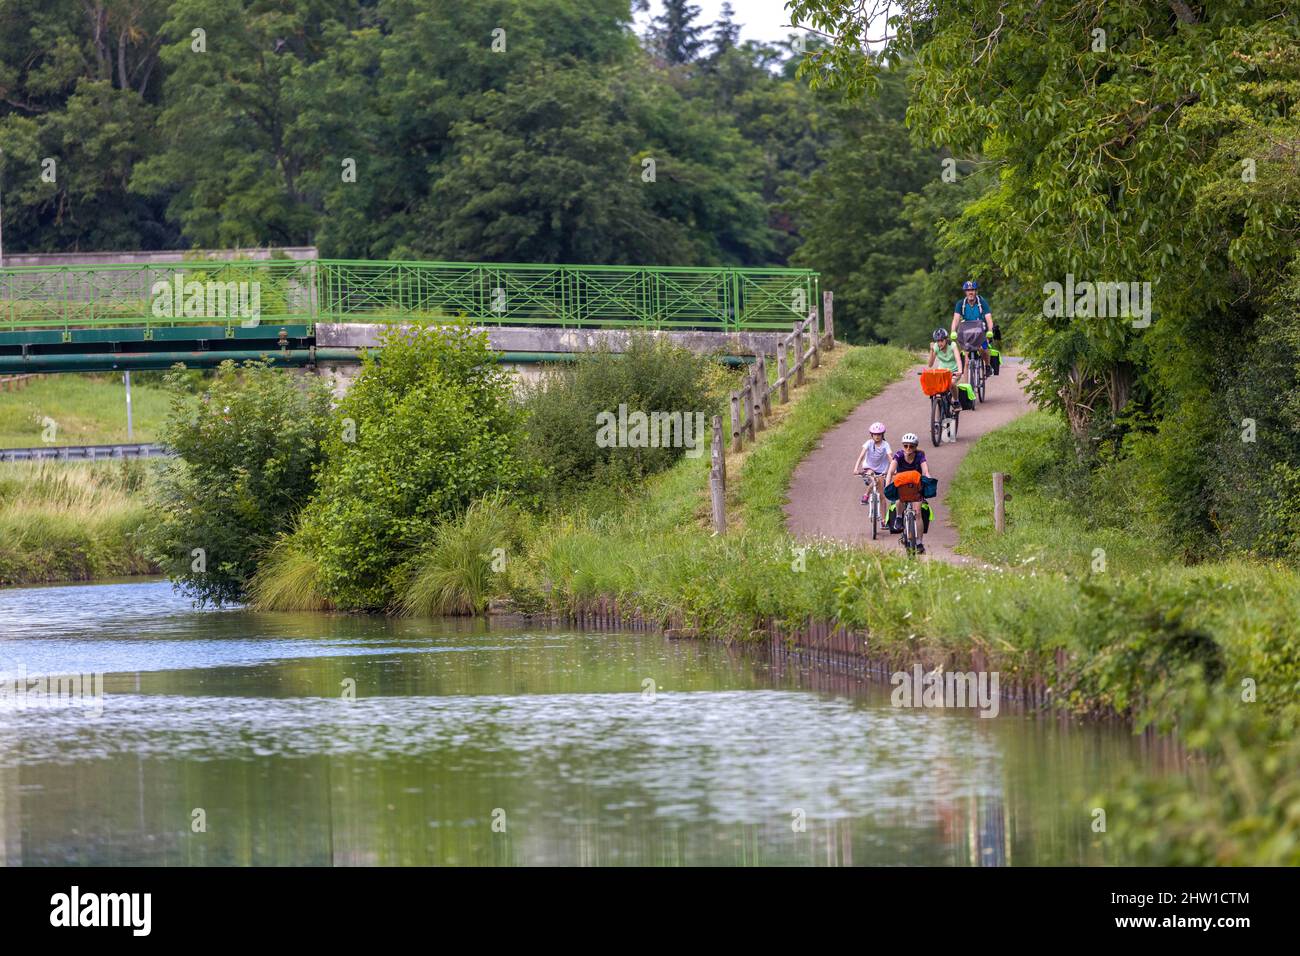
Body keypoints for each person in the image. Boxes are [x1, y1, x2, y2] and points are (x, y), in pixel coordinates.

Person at [884, 433, 933, 553]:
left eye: (911, 446)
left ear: (915, 447)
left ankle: (919, 542)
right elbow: (890, 471)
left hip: (915, 487)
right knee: (899, 498)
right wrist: (887, 485)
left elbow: (925, 471)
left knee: (918, 513)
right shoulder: (899, 455)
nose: (908, 449)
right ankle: (899, 517)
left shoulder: (920, 456)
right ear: (902, 446)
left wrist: (929, 479)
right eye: (905, 446)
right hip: (902, 486)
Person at [852, 421, 892, 528]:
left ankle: (883, 520)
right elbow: (861, 456)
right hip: (869, 467)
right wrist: (856, 468)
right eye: (875, 434)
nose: (877, 436)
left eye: (879, 434)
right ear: (871, 435)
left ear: (882, 435)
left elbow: (890, 458)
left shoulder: (885, 445)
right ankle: (866, 495)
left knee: (882, 496)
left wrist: (893, 469)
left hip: (881, 470)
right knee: (873, 478)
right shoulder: (868, 443)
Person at [951, 280, 993, 382]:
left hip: (981, 332)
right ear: (965, 292)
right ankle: (967, 387)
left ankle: (987, 365)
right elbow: (956, 319)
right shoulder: (961, 304)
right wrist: (953, 331)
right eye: (968, 290)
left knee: (984, 348)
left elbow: (989, 319)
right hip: (967, 334)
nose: (971, 292)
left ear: (976, 291)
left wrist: (990, 331)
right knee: (966, 361)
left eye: (973, 290)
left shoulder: (982, 302)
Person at [927, 328, 963, 407]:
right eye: (938, 341)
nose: (940, 343)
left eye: (942, 340)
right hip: (942, 372)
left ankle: (956, 400)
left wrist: (960, 371)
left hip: (954, 371)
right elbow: (930, 364)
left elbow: (958, 359)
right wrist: (931, 350)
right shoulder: (936, 347)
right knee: (936, 388)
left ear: (946, 340)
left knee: (951, 384)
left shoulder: (952, 345)